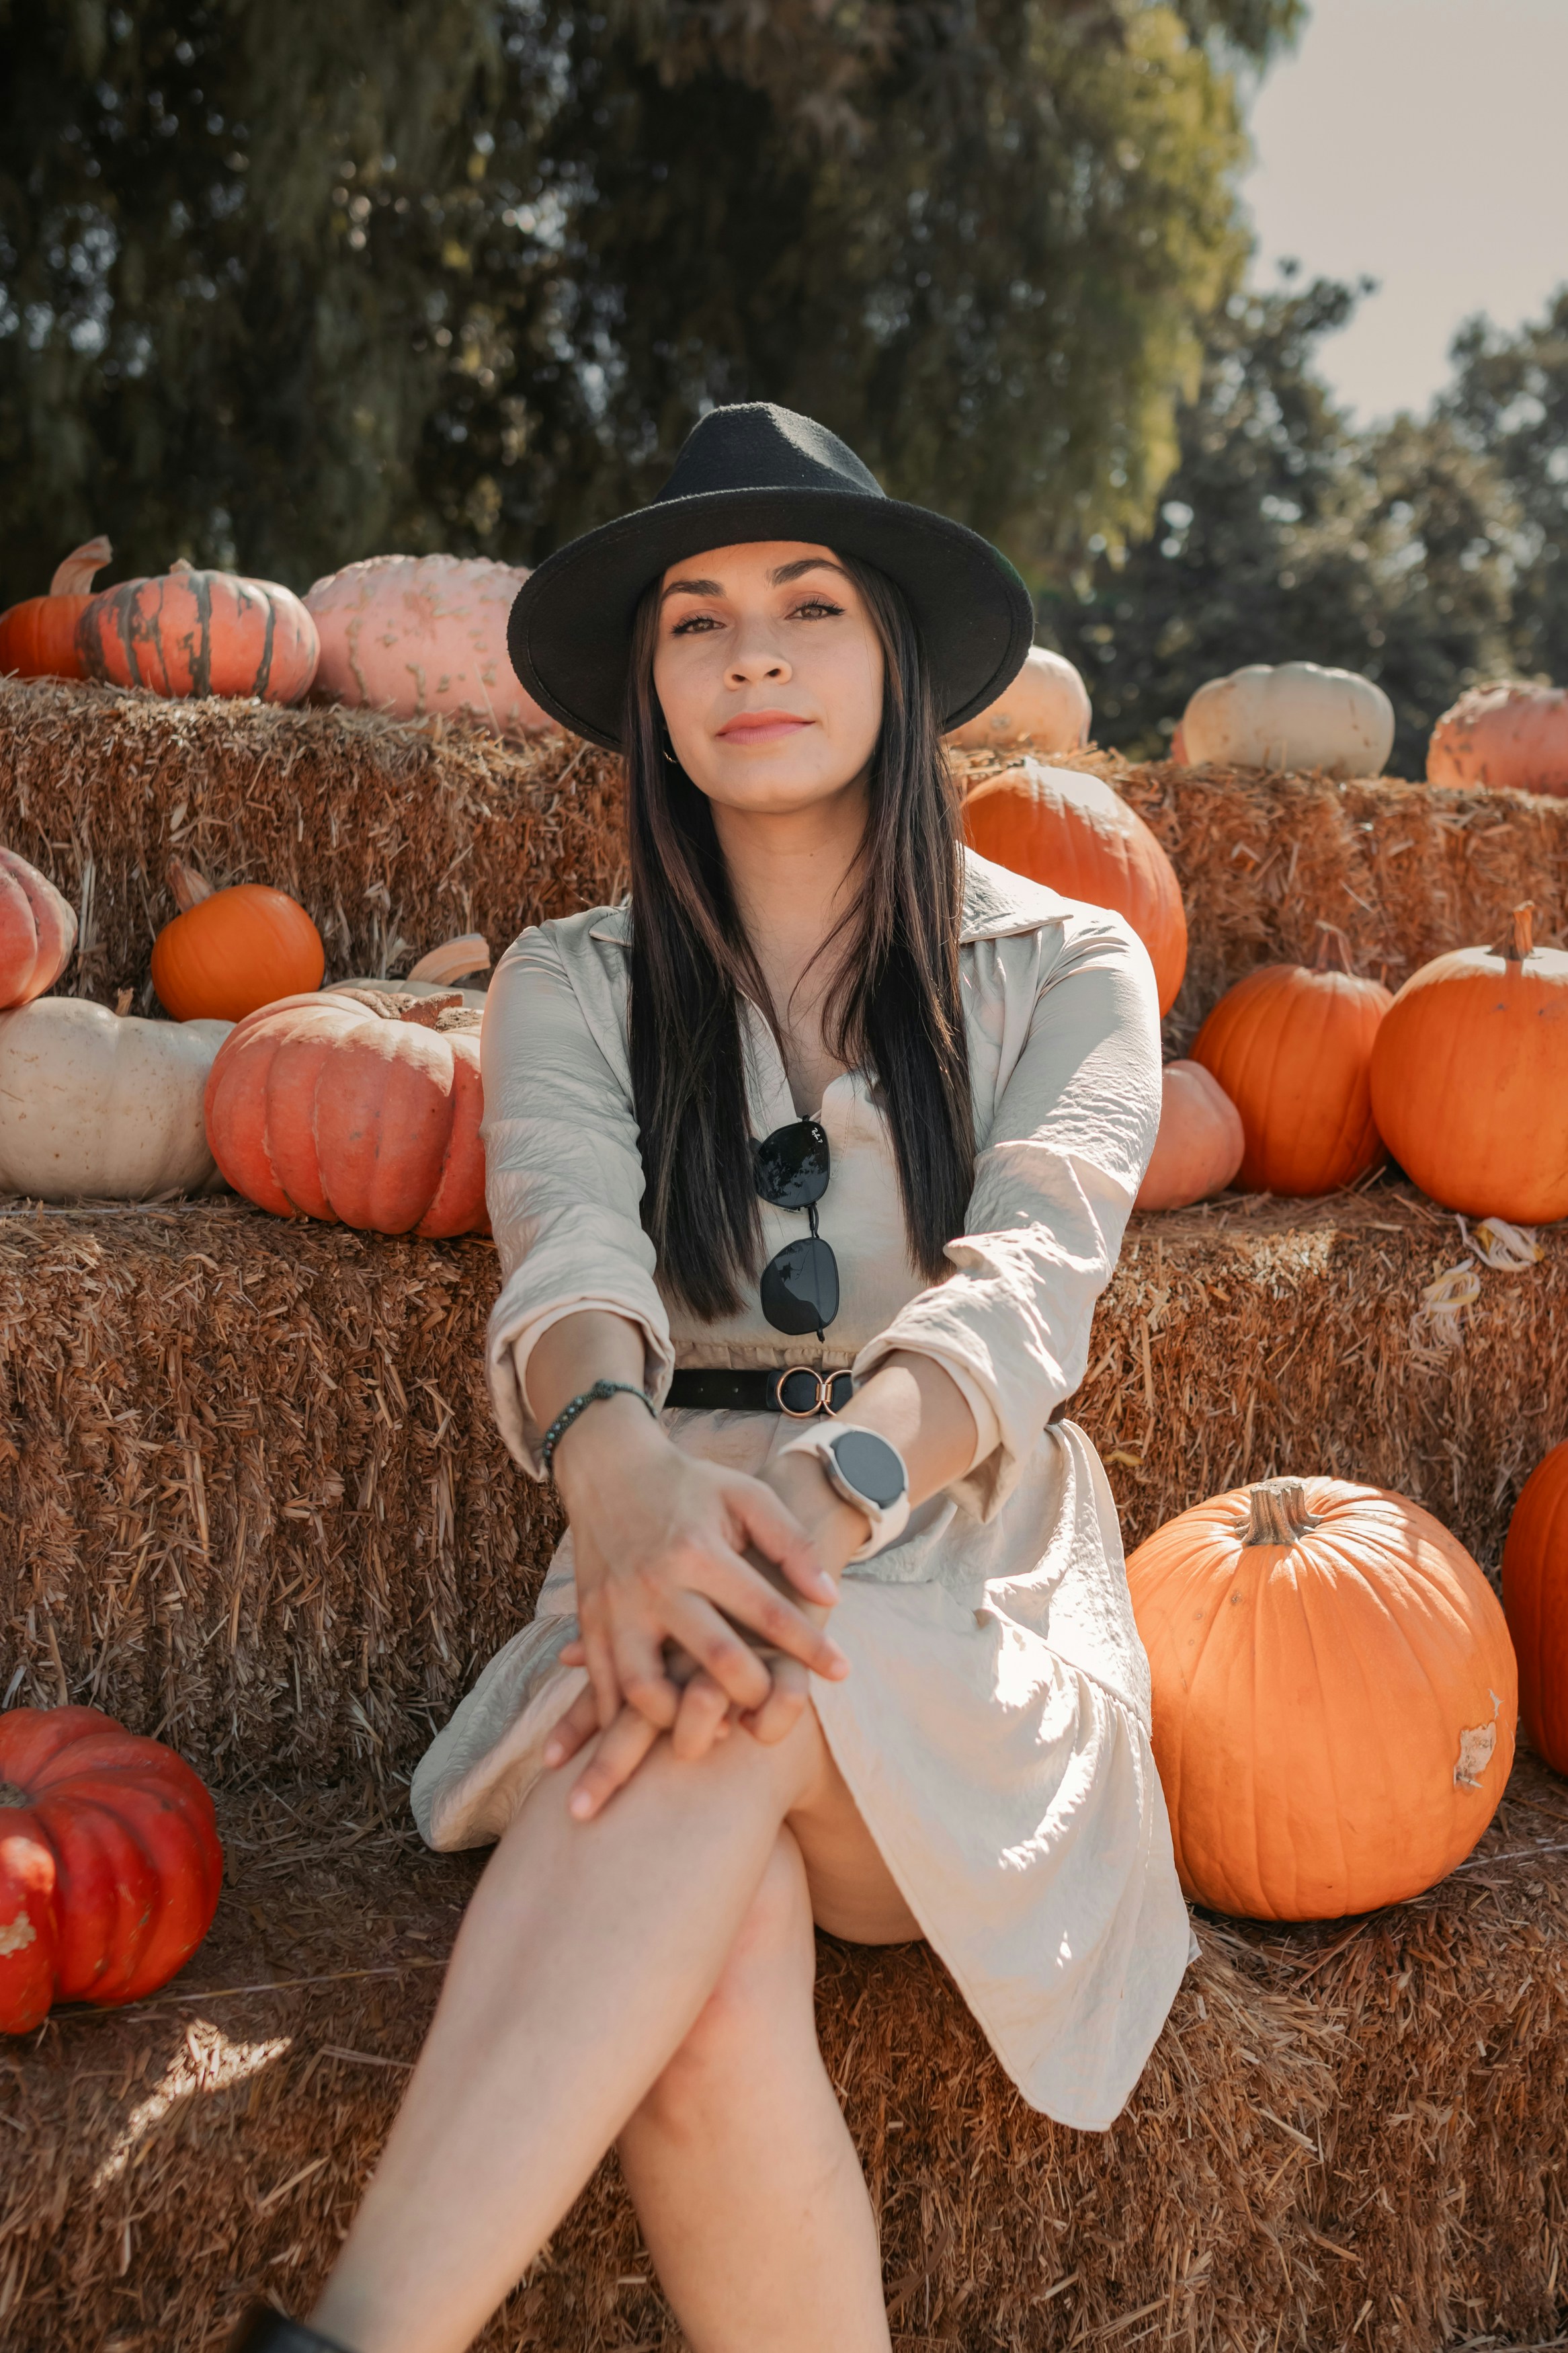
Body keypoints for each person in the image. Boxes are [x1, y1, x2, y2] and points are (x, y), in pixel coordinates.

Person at [232, 403, 1191, 2353]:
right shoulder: (572, 983)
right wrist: (621, 1477)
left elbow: (1027, 1292)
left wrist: (826, 1491)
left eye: (807, 604)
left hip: (950, 1588)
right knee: (713, 1981)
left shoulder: (1070, 964)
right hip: (655, 1549)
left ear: (894, 657)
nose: (752, 652)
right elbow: (570, 1259)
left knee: (740, 1665)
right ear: (655, 687)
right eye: (698, 618)